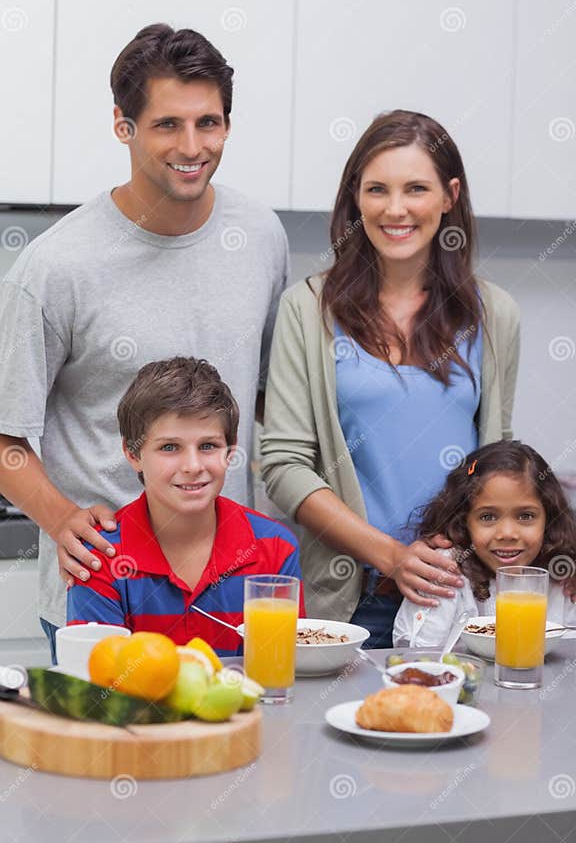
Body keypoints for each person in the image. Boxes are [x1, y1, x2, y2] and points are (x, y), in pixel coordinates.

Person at [0, 23, 289, 661]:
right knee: (107, 758)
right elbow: (5, 436)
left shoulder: (261, 238)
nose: (192, 146)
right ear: (122, 125)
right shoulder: (56, 267)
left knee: (244, 758)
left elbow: (269, 398)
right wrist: (58, 518)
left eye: (208, 123)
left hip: (230, 602)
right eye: (167, 125)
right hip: (103, 599)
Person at [261, 109, 521, 648]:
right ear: (356, 196)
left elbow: (494, 463)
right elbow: (285, 466)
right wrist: (392, 556)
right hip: (354, 598)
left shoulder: (494, 315)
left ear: (449, 196)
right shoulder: (307, 309)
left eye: (416, 189)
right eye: (377, 189)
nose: (395, 209)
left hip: (456, 596)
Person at [67, 357, 303, 656]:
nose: (192, 466)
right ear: (133, 453)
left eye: (208, 446)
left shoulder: (276, 548)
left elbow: (284, 668)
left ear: (229, 451)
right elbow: (100, 687)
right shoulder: (99, 559)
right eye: (169, 447)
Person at [393, 440, 576, 646]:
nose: (507, 534)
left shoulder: (564, 574)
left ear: (548, 518)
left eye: (525, 516)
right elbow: (416, 652)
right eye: (488, 517)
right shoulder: (447, 570)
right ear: (464, 521)